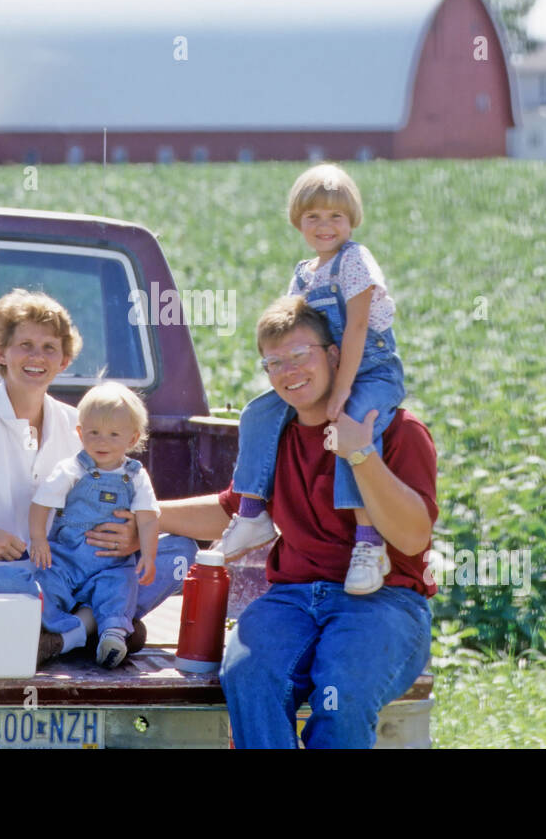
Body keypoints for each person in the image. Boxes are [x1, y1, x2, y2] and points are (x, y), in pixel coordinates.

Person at [88, 296, 436, 748]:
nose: (289, 371)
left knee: (343, 694)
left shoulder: (395, 429)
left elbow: (412, 538)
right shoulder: (276, 434)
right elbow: (231, 509)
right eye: (275, 362)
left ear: (334, 355)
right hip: (291, 599)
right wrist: (146, 520)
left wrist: (361, 453)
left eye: (300, 355)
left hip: (383, 603)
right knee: (247, 674)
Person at [0, 288, 195, 666]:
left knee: (179, 553)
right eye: (25, 345)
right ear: (1, 352)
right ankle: (95, 626)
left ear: (64, 360)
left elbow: (111, 498)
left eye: (50, 347)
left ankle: (69, 630)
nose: (37, 357)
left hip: (60, 570)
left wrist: (128, 540)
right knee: (19, 584)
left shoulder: (77, 425)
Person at [219, 164, 406, 595]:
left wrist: (342, 389)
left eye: (335, 217)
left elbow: (357, 327)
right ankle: (251, 512)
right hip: (326, 370)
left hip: (370, 370)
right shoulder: (304, 273)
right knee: (259, 412)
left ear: (352, 220)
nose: (325, 226)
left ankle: (368, 542)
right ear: (298, 222)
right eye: (314, 217)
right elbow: (292, 324)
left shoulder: (354, 261)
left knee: (351, 427)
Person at [29, 383, 160, 668]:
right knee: (44, 582)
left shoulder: (135, 476)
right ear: (80, 433)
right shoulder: (71, 469)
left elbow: (148, 518)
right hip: (66, 554)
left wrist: (148, 555)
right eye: (94, 433)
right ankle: (52, 627)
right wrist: (38, 539)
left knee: (121, 586)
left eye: (114, 434)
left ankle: (112, 635)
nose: (103, 442)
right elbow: (42, 504)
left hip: (111, 562)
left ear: (132, 438)